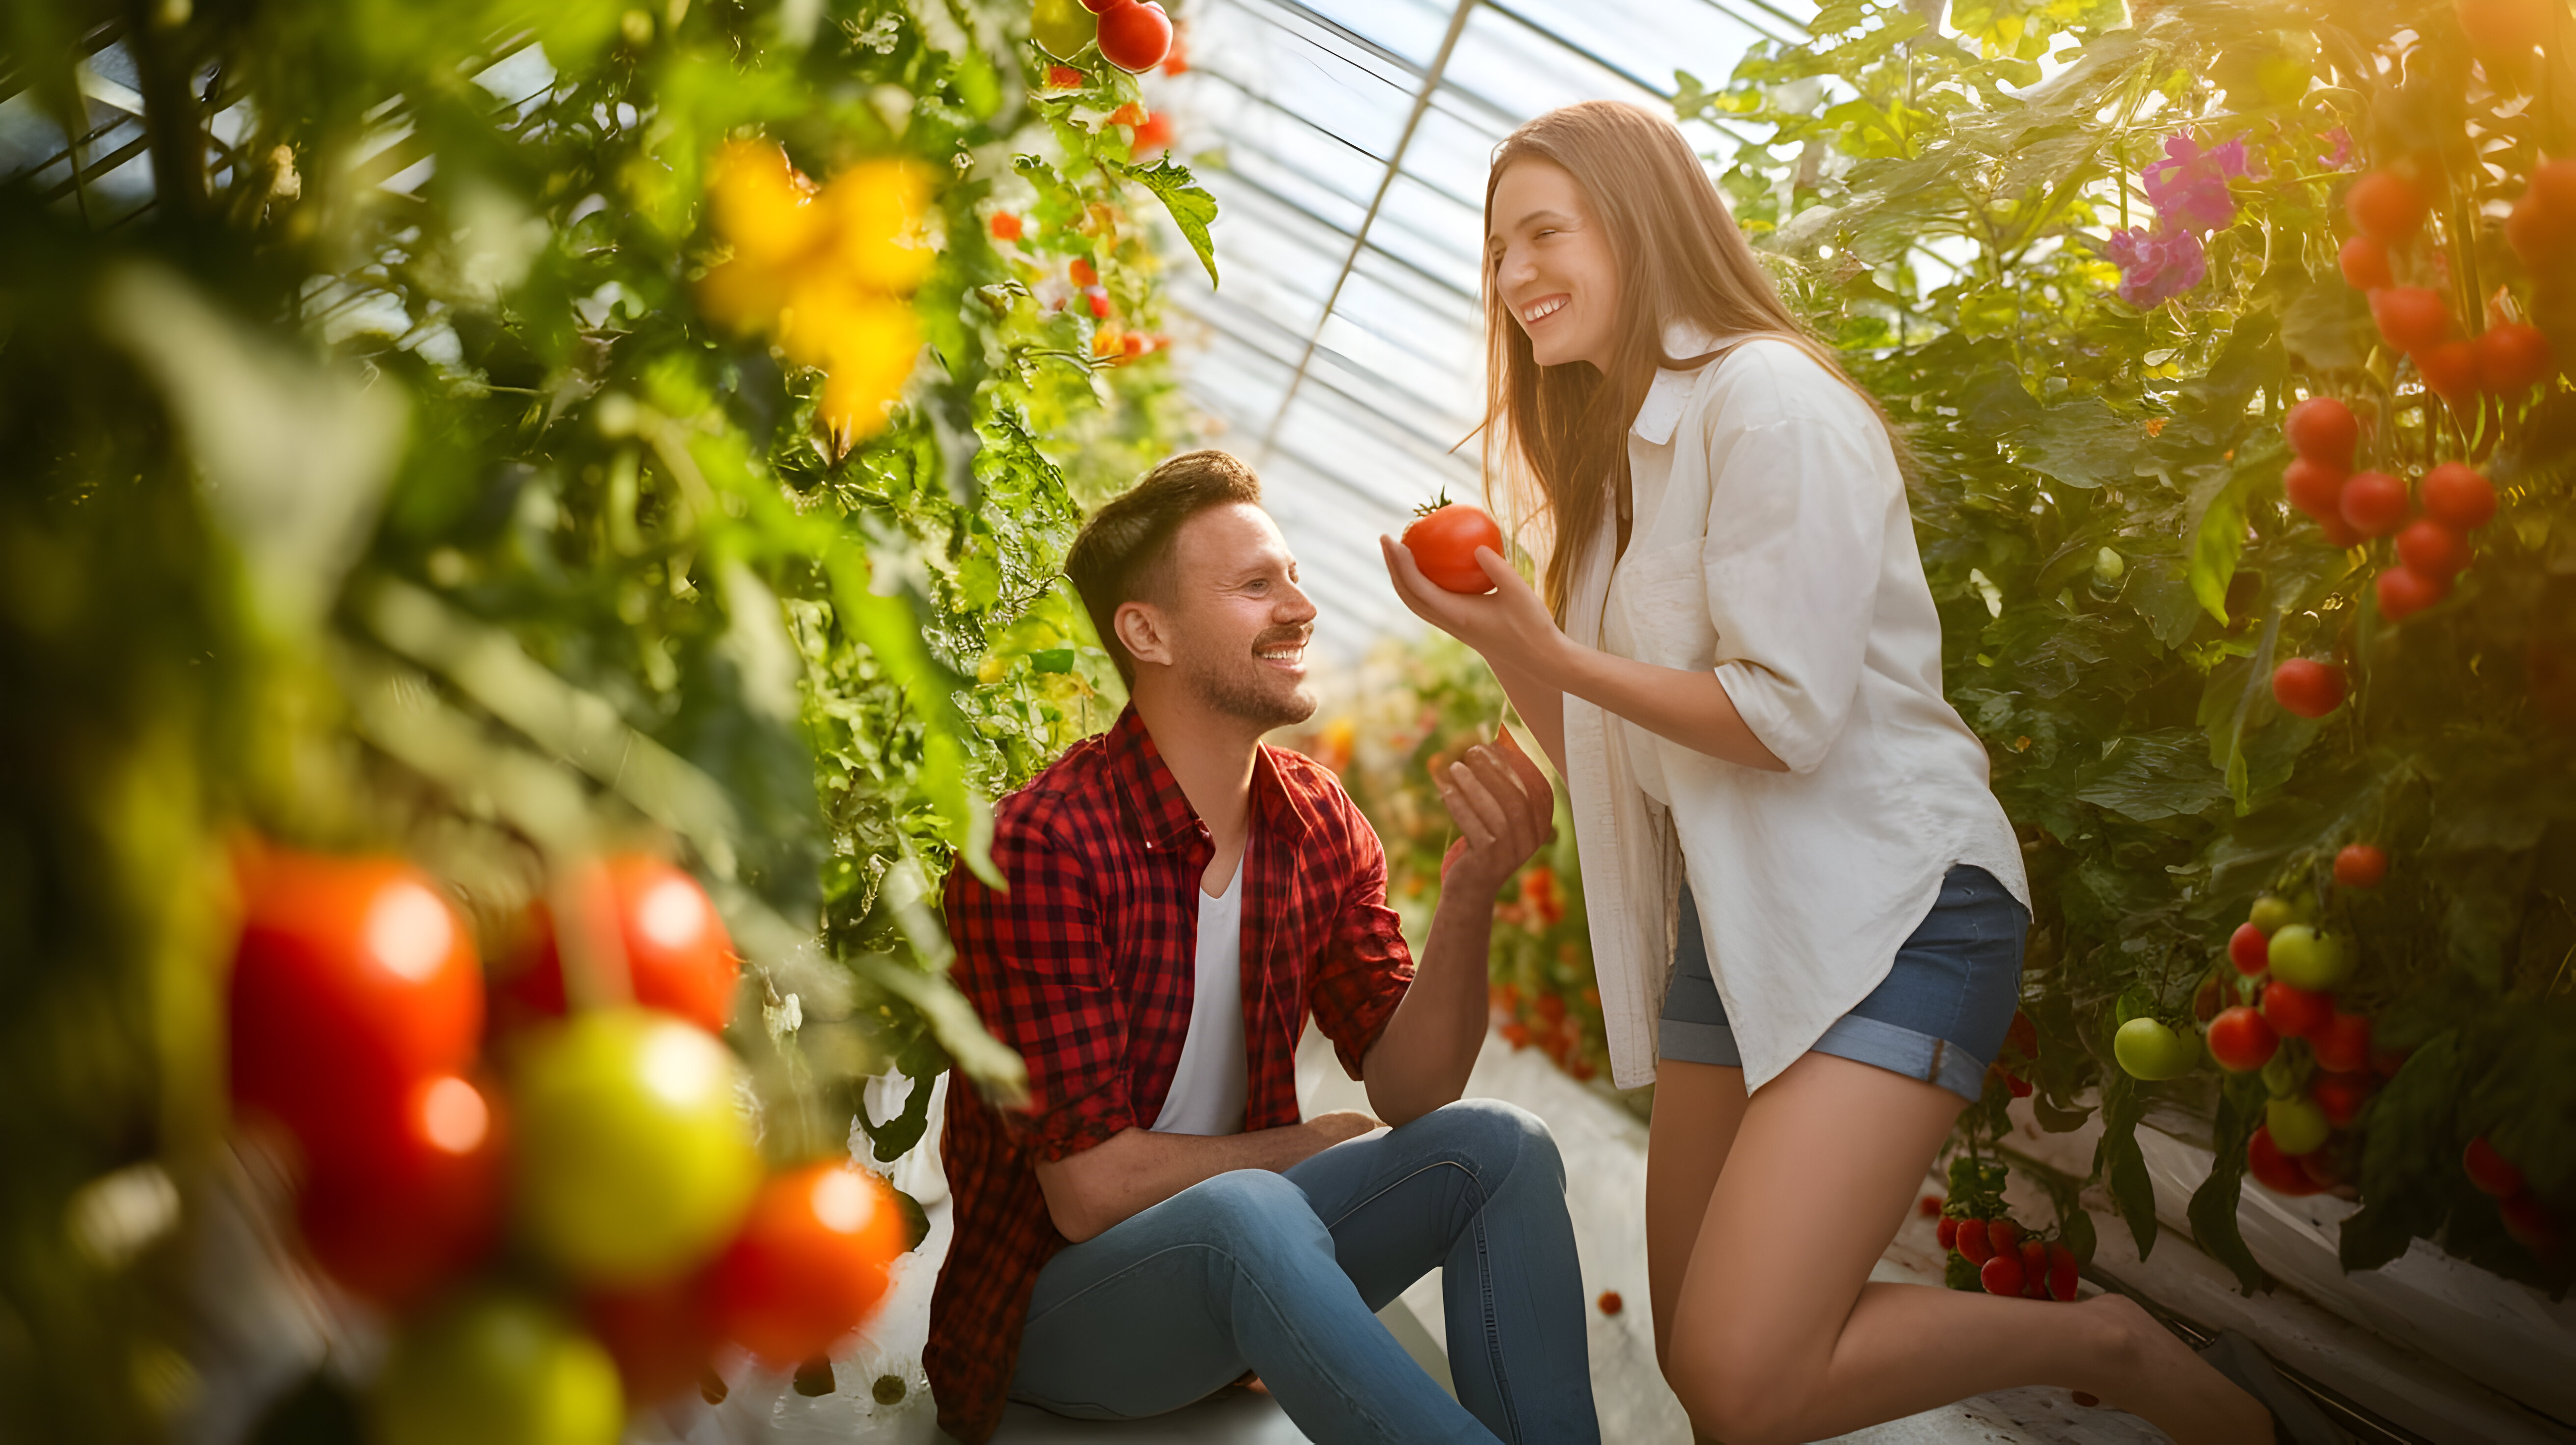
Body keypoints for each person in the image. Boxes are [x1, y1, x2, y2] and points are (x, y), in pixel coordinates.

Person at [1379, 101, 2277, 1445]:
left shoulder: (1767, 400)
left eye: (1542, 235)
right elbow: (1627, 782)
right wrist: (1512, 646)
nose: (1512, 280)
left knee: (1747, 1379)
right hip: (1736, 932)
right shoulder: (1614, 487)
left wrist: (1549, 648)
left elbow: (1781, 714)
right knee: (1704, 1364)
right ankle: (2109, 1348)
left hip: (1887, 907)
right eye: (1496, 249)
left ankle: (2119, 1349)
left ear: (1638, 222)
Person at [926, 450, 1599, 1445]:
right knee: (1253, 1206)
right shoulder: (1040, 843)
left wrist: (1470, 894)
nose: (1300, 605)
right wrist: (1304, 1144)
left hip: (1230, 1268)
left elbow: (1410, 1093)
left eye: (1291, 573)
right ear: (1144, 630)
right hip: (1051, 1317)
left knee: (1500, 1144)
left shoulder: (1315, 819)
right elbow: (1088, 1191)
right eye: (1255, 584)